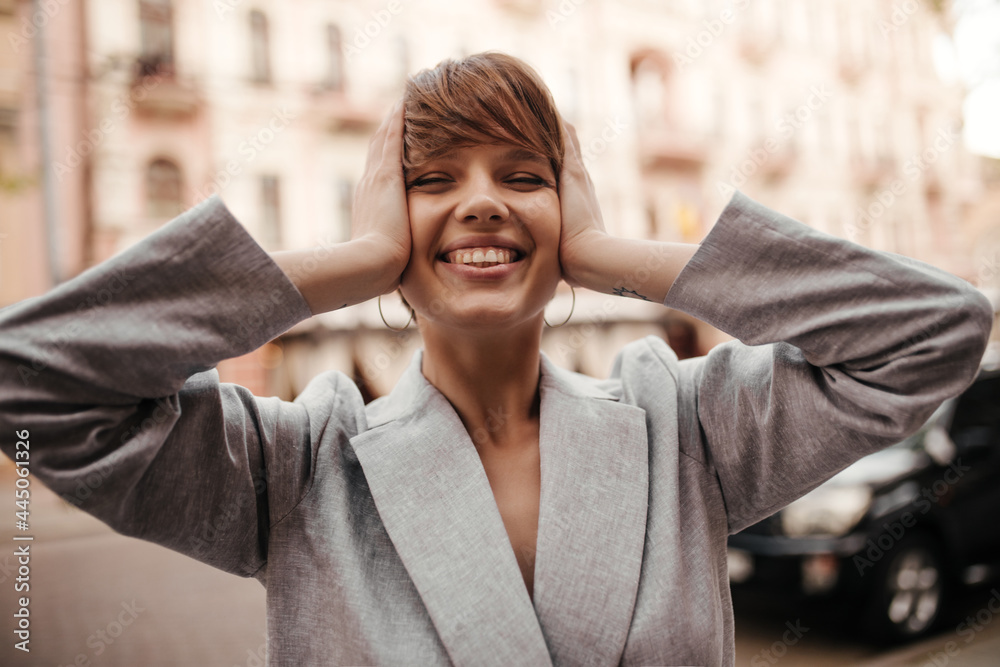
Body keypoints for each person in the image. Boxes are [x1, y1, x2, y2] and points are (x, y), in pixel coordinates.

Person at [0, 51, 992, 666]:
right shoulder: (293, 469)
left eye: (524, 175)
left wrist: (612, 255)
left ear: (570, 211)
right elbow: (27, 379)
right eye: (432, 179)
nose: (481, 201)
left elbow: (933, 332)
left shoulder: (687, 431)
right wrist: (351, 264)